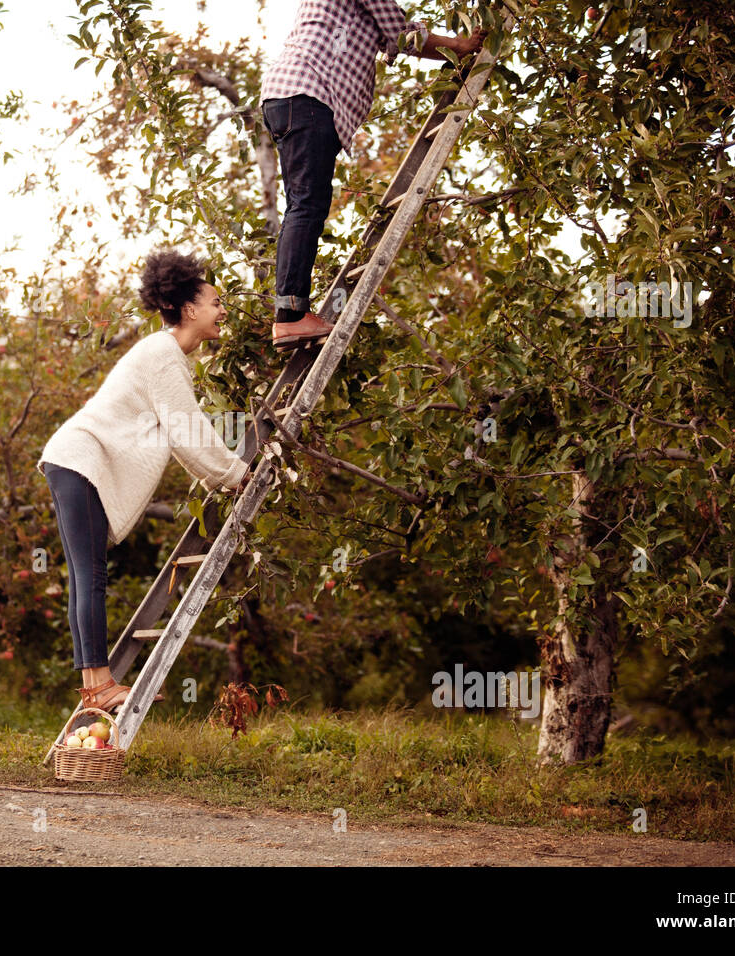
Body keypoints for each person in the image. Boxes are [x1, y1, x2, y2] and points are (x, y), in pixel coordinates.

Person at [37, 250, 252, 714]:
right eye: (216, 303)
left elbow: (180, 436)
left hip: (73, 460)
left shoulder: (165, 355)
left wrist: (221, 474)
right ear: (190, 309)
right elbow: (187, 429)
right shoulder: (163, 352)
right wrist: (237, 475)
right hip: (81, 459)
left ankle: (95, 685)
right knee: (90, 575)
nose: (223, 312)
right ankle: (98, 686)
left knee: (84, 575)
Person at [262, 0, 486, 348]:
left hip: (291, 96)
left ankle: (291, 313)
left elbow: (389, 38)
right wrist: (461, 46)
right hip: (309, 94)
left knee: (303, 205)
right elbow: (400, 33)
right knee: (306, 206)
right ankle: (290, 316)